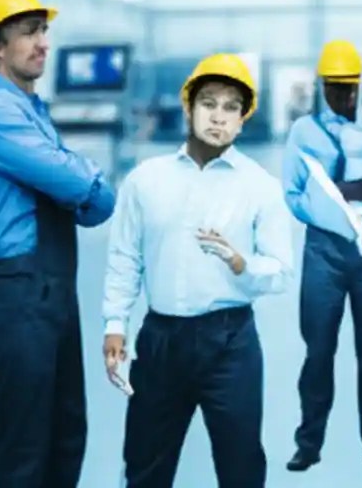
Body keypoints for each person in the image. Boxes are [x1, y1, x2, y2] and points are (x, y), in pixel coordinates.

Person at [102, 53, 293, 488]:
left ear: (243, 120)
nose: (218, 117)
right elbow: (124, 256)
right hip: (161, 341)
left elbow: (281, 271)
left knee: (241, 465)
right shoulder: (146, 181)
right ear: (189, 107)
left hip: (231, 344)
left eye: (231, 108)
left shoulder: (261, 188)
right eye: (209, 103)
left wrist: (242, 262)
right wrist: (116, 323)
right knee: (145, 464)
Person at [0, 0, 118, 487]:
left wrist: (79, 179)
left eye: (43, 30)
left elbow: (98, 207)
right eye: (29, 32)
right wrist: (80, 174)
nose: (44, 42)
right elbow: (77, 184)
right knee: (20, 446)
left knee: (65, 431)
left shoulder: (33, 115)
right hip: (15, 296)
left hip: (54, 294)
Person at [282, 39, 362, 472]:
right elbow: (291, 191)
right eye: (337, 87)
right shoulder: (304, 132)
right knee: (318, 351)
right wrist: (321, 216)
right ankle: (309, 443)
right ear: (323, 86)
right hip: (324, 255)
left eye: (351, 87)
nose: (346, 95)